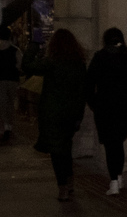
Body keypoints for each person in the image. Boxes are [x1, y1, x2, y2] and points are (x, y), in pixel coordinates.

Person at [24, 28, 90, 202]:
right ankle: (69, 180)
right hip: (71, 114)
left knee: (56, 151)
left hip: (53, 114)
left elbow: (27, 66)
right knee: (65, 148)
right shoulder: (79, 64)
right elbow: (82, 92)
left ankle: (63, 186)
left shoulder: (52, 62)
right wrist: (79, 115)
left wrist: (33, 46)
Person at [86, 28, 127, 195]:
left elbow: (89, 84)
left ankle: (114, 181)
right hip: (123, 108)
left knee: (111, 145)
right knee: (118, 143)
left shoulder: (99, 58)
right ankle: (118, 176)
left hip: (104, 108)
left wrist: (94, 104)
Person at [0, 27, 21, 141]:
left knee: (1, 103)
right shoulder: (15, 50)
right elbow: (19, 65)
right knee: (11, 103)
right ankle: (10, 125)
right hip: (13, 79)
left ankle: (5, 126)